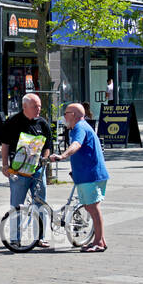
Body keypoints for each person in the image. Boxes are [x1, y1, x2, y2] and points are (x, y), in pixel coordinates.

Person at [50, 102, 109, 252]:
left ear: (73, 115)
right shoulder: (82, 127)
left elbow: (76, 144)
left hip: (91, 175)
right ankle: (100, 239)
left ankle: (98, 243)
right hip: (89, 174)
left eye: (65, 114)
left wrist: (62, 155)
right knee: (91, 207)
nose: (64, 117)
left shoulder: (79, 128)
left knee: (93, 208)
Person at [1, 93, 54, 249]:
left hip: (37, 171)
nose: (38, 109)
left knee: (40, 204)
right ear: (24, 107)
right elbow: (4, 145)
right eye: (34, 106)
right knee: (17, 204)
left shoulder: (42, 123)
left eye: (39, 106)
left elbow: (48, 146)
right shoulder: (13, 122)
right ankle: (15, 239)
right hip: (18, 171)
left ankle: (40, 237)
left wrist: (45, 160)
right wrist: (5, 165)